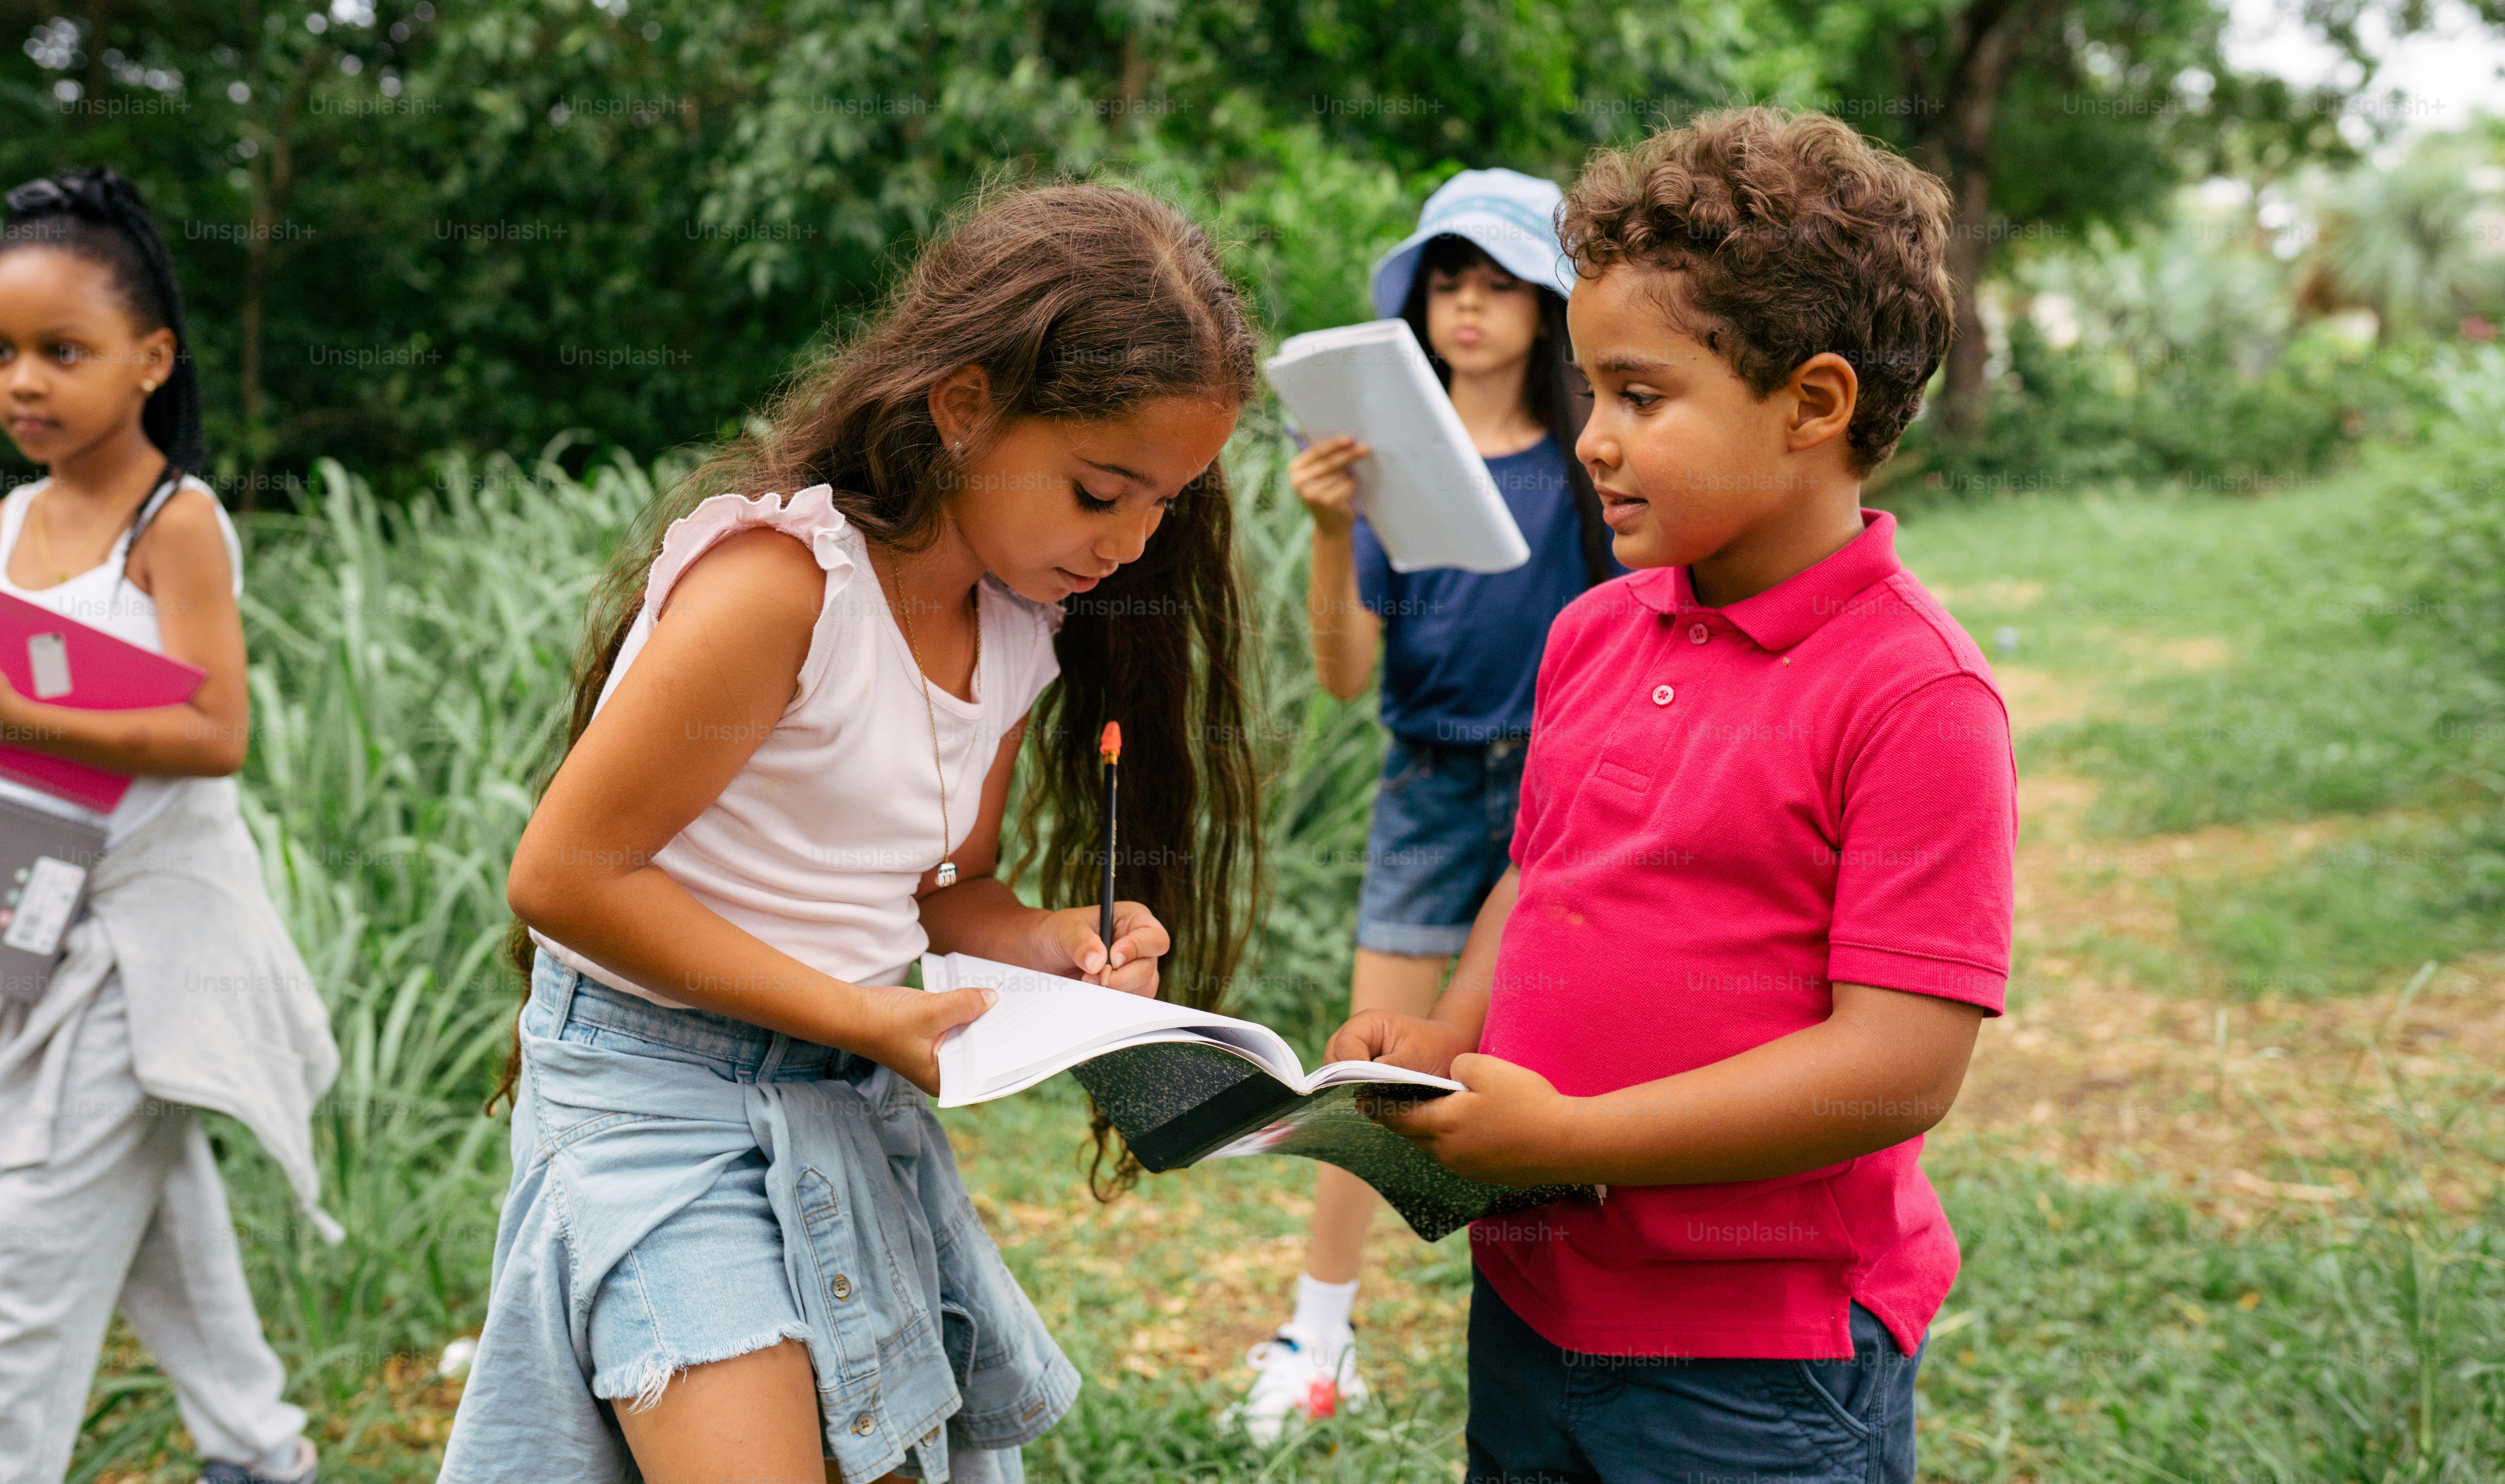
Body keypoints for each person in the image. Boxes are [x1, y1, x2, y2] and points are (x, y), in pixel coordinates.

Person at [438, 183, 1265, 1484]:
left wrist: (1054, 940)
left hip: (840, 1093)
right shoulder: (782, 592)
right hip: (658, 1096)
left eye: (1167, 503)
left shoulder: (1013, 632)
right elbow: (565, 878)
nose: (1134, 541)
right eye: (1105, 490)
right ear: (964, 408)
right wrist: (858, 1014)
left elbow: (943, 891)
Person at [1331, 109, 2016, 1484]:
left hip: (1758, 1363)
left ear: (1813, 406)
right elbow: (1540, 877)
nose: (1591, 439)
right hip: (1532, 1304)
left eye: (1641, 398)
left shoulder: (1915, 696)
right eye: (1590, 394)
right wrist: (1444, 1041)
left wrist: (1574, 1137)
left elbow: (1899, 1067)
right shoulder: (1593, 632)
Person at [1231, 169, 1615, 1441]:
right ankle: (1316, 1332)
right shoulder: (1377, 462)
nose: (1470, 303)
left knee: (1553, 1066)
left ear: (1549, 306)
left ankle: (1583, 1333)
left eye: (1501, 281)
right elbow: (1346, 673)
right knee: (1371, 1063)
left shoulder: (1588, 463)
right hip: (1427, 781)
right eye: (1450, 278)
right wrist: (1336, 532)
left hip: (1563, 779)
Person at [0, 169, 339, 1484]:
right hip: (40, 916)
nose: (25, 381)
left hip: (147, 945)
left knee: (27, 1244)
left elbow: (216, 737)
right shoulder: (17, 521)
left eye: (60, 351)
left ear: (151, 361)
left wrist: (20, 719)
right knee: (160, 1215)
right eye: (6, 354)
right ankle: (260, 1453)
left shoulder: (175, 523)